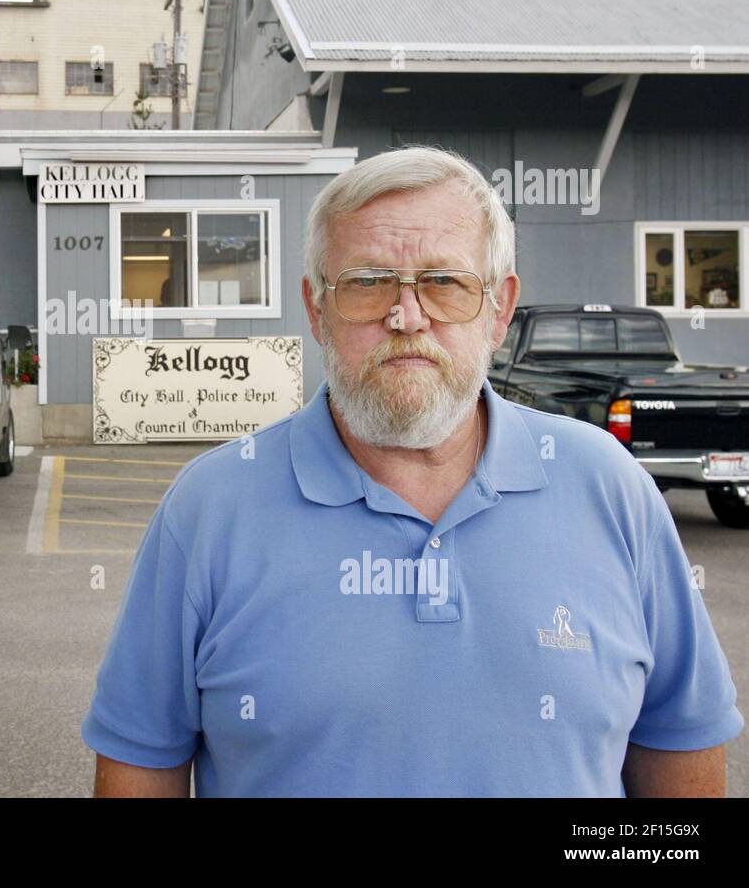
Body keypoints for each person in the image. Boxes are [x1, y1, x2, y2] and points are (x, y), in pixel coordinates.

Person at [80, 146, 743, 797]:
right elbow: (142, 766)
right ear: (316, 309)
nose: (406, 317)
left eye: (444, 282)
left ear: (500, 309)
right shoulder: (209, 509)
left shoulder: (610, 487)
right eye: (367, 283)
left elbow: (680, 746)